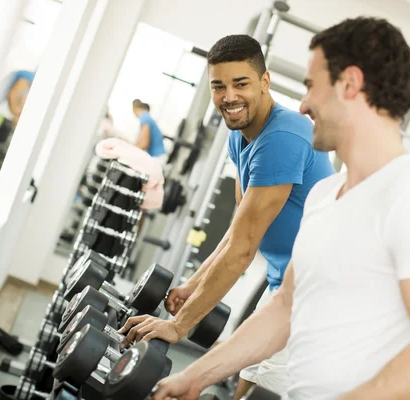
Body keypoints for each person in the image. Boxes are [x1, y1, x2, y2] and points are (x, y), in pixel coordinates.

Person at [151, 17, 410, 400]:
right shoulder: (326, 195)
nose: (304, 104)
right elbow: (285, 307)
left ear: (350, 85)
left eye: (311, 87)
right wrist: (195, 377)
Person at [118, 35, 335, 397]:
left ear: (264, 83)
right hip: (287, 284)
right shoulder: (239, 135)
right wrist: (193, 286)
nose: (229, 97)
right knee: (246, 385)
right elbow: (239, 230)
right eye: (218, 86)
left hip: (321, 295)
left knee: (259, 392)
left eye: (241, 84)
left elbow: (243, 248)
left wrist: (177, 326)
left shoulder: (285, 135)